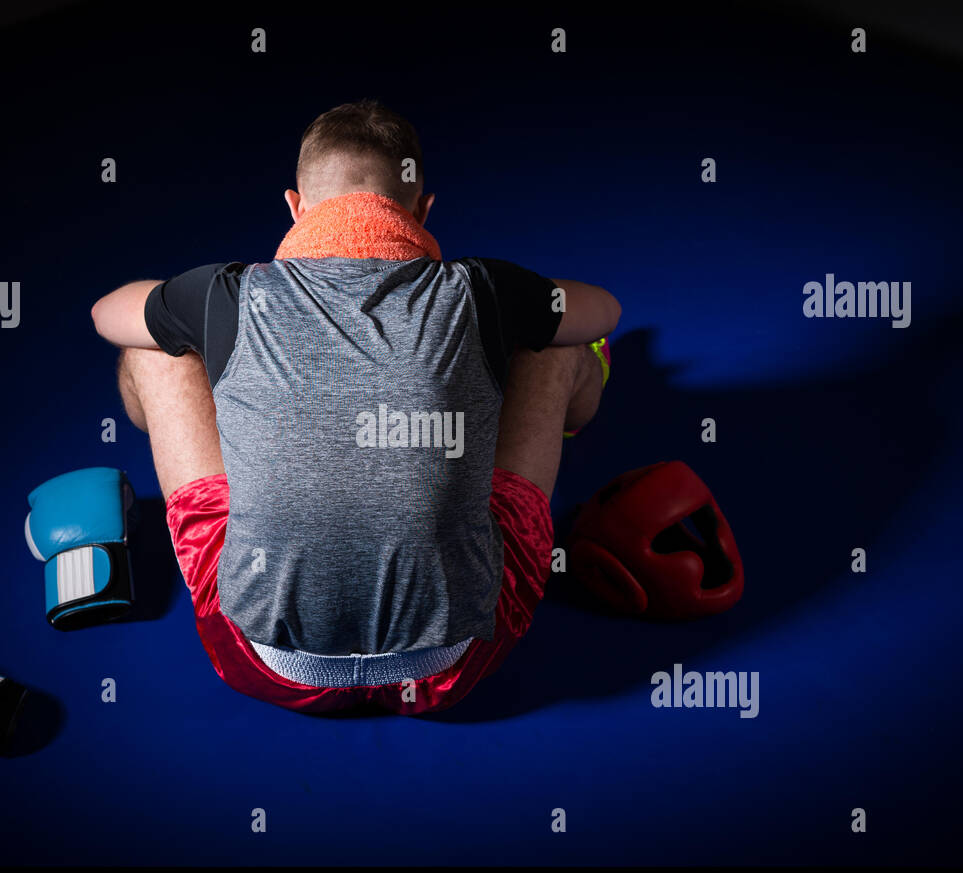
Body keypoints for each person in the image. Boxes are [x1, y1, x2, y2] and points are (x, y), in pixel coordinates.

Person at [91, 99, 619, 714]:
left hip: (260, 662)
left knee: (152, 349)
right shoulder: (483, 290)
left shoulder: (226, 293)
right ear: (422, 209)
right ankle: (570, 422)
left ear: (295, 208)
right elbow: (603, 308)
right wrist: (528, 312)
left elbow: (105, 314)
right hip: (458, 662)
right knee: (558, 343)